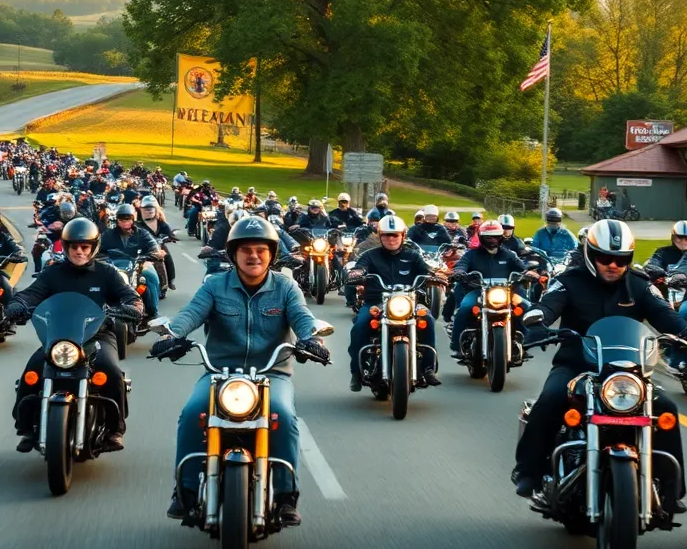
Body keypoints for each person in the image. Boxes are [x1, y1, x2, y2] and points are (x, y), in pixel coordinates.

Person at [151, 217, 329, 526]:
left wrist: (310, 338)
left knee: (283, 416)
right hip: (219, 372)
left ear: (272, 254)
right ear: (233, 254)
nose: (254, 256)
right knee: (193, 412)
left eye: (261, 249)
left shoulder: (285, 287)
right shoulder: (215, 285)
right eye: (246, 249)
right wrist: (172, 335)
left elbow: (302, 317)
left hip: (271, 373)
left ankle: (287, 495)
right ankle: (186, 490)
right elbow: (190, 314)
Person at [513, 219, 687, 510]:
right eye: (605, 258)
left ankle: (671, 489)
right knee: (550, 399)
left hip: (628, 373)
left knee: (666, 409)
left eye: (621, 259)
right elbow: (549, 305)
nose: (613, 265)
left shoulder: (639, 285)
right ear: (589, 254)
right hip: (577, 367)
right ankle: (529, 472)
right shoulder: (569, 281)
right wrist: (538, 319)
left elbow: (665, 315)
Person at [4, 218, 142, 453]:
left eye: (84, 246)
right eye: (74, 246)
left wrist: (133, 307)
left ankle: (115, 430)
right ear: (66, 247)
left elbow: (129, 296)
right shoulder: (53, 273)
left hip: (97, 337)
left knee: (111, 371)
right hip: (59, 338)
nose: (79, 251)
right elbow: (30, 294)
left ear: (93, 247)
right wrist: (17, 304)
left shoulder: (106, 273)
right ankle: (26, 427)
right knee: (32, 371)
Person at [346, 214, 440, 390]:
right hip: (376, 303)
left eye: (395, 235)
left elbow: (426, 271)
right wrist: (356, 273)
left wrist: (436, 276)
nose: (391, 239)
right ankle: (357, 371)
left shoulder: (413, 256)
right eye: (387, 235)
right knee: (360, 326)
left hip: (409, 302)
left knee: (427, 319)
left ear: (403, 236)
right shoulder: (370, 256)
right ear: (380, 236)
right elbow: (360, 267)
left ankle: (428, 368)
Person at [449, 220, 529, 358]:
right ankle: (456, 345)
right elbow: (461, 265)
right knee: (464, 308)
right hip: (478, 291)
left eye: (496, 236)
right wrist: (459, 272)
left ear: (501, 237)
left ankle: (526, 343)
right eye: (488, 237)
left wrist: (530, 273)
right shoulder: (471, 255)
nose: (493, 240)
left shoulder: (508, 254)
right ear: (481, 237)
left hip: (505, 292)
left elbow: (522, 268)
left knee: (526, 307)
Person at [100, 203, 164, 318]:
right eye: (121, 218)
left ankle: (153, 313)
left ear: (133, 219)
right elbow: (96, 249)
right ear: (117, 220)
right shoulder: (108, 234)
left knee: (150, 275)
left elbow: (153, 246)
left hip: (138, 265)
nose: (125, 221)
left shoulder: (142, 233)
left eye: (128, 218)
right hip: (112, 267)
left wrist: (155, 253)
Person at [138, 195, 177, 291]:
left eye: (151, 208)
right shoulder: (138, 224)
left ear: (156, 209)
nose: (149, 211)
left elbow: (169, 233)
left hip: (159, 245)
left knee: (167, 257)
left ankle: (171, 280)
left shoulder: (162, 223)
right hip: (144, 247)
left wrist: (169, 237)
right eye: (146, 209)